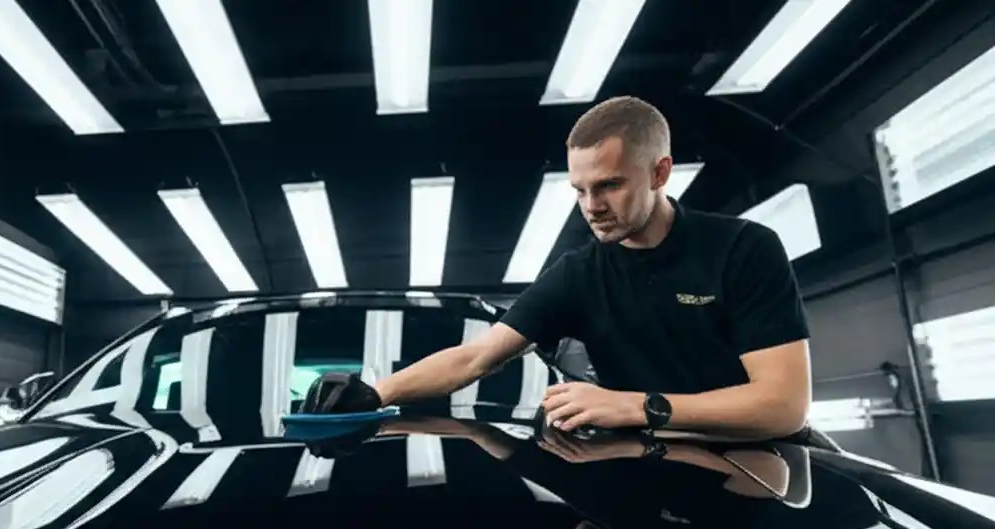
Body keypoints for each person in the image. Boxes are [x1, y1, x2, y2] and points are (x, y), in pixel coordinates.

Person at [306, 96, 812, 440]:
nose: (591, 206)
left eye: (609, 185)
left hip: (758, 468)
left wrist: (638, 406)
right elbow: (475, 358)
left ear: (659, 172)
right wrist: (373, 391)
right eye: (580, 190)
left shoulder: (744, 249)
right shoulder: (579, 275)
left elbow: (784, 405)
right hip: (646, 469)